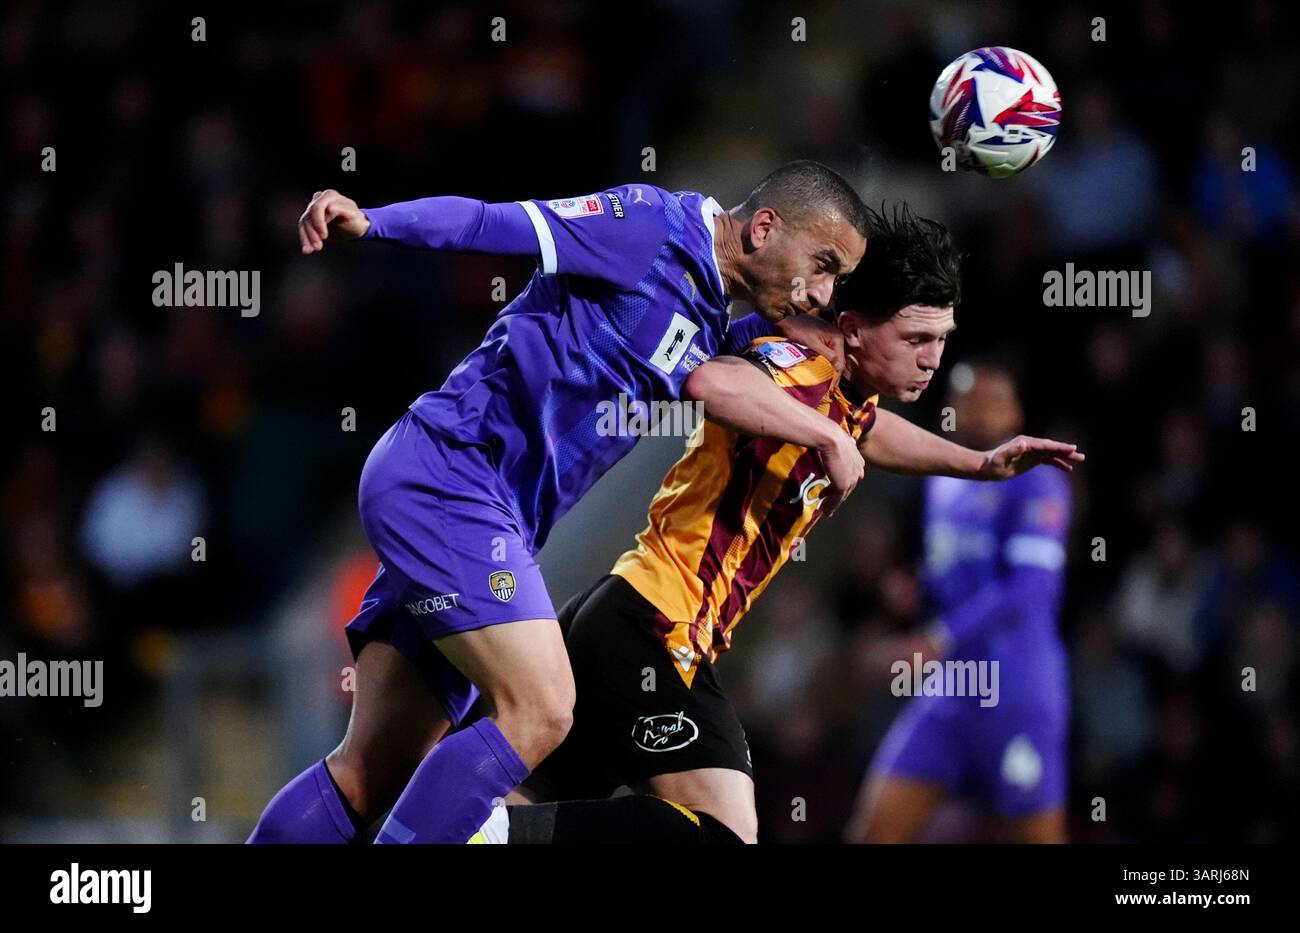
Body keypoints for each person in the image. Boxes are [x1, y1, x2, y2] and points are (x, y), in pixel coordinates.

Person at [249, 161, 871, 844]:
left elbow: (821, 406)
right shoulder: (652, 226)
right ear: (764, 226)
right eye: (823, 264)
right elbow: (495, 221)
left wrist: (959, 458)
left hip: (485, 514)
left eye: (835, 282)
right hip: (448, 474)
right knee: (543, 706)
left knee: (370, 772)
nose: (819, 293)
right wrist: (374, 221)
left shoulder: (711, 321)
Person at [480, 205, 1081, 843]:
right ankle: (486, 833)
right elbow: (710, 381)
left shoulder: (846, 394)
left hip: (631, 620)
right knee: (726, 832)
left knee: (535, 810)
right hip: (657, 627)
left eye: (942, 339)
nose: (933, 360)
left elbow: (870, 432)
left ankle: (475, 831)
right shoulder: (800, 373)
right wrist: (823, 433)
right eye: (915, 340)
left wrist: (979, 463)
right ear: (852, 329)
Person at [846, 360, 1074, 844]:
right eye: (969, 397)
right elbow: (955, 573)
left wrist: (935, 638)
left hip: (1017, 690)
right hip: (952, 689)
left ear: (1015, 412)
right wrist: (917, 590)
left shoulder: (1037, 479)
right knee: (873, 833)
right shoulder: (941, 478)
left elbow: (1030, 586)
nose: (980, 409)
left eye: (994, 399)